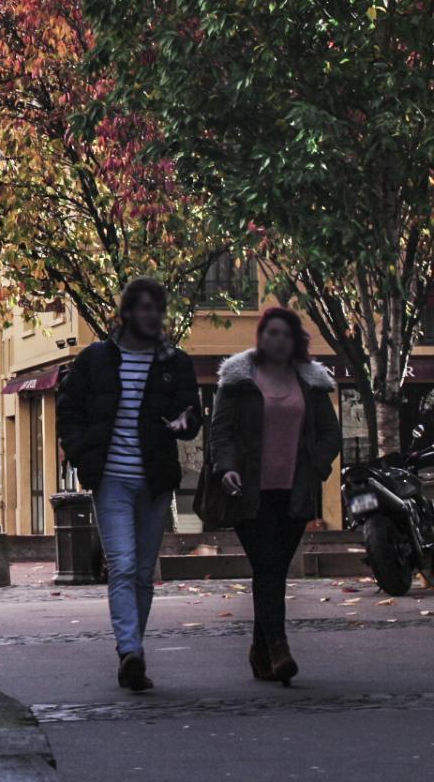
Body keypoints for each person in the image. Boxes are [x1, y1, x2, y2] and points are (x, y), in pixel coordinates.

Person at [56, 277, 200, 692]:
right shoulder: (96, 359)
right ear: (127, 313)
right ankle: (130, 651)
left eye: (158, 308)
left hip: (154, 482)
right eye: (145, 308)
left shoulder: (176, 363)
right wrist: (83, 456)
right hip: (112, 480)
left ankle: (133, 647)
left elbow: (192, 414)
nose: (153, 315)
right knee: (122, 565)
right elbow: (70, 411)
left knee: (141, 572)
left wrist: (184, 422)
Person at [207, 307, 340, 685]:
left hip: (295, 493)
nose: (277, 340)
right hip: (250, 493)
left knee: (274, 570)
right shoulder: (238, 380)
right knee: (267, 565)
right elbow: (221, 433)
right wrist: (227, 467)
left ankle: (259, 649)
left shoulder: (311, 383)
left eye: (284, 333)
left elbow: (330, 434)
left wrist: (314, 465)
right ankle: (279, 648)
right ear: (260, 337)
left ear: (295, 339)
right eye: (270, 332)